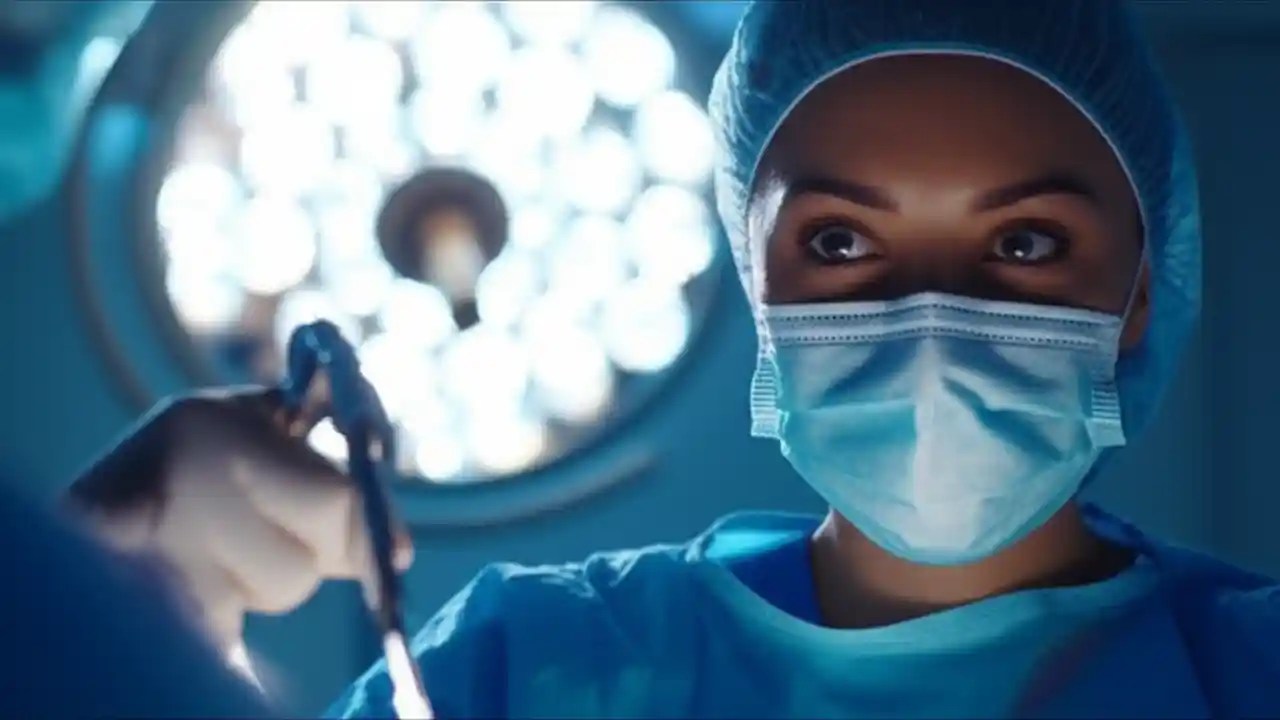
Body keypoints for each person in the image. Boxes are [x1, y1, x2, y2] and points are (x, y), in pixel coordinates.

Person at [67, 1, 1280, 718]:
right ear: (757, 286)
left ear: (1135, 288)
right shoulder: (523, 672)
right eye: (840, 239)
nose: (927, 317)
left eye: (1022, 242)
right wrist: (90, 613)